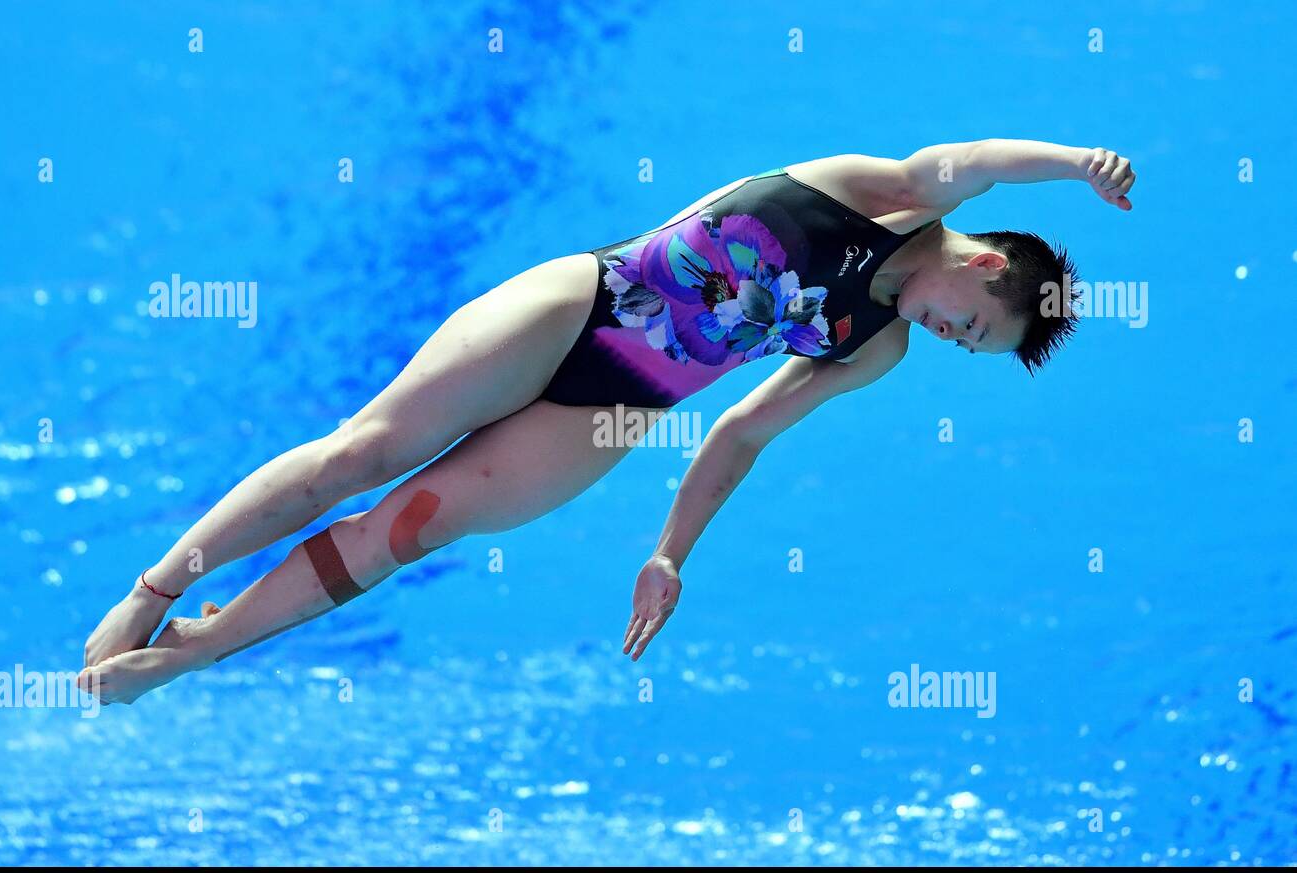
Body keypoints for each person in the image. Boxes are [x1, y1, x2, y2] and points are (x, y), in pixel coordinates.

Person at [80, 139, 1135, 703]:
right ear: (988, 267)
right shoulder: (888, 192)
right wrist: (1080, 161)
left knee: (402, 531)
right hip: (581, 305)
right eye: (973, 327)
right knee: (365, 452)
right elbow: (986, 159)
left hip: (619, 406)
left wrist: (670, 553)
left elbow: (739, 435)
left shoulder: (875, 343)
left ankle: (195, 651)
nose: (953, 341)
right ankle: (158, 587)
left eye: (968, 348)